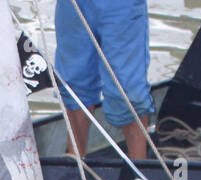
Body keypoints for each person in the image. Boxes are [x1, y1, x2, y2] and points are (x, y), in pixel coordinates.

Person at [55, 0, 154, 160]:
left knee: (127, 92)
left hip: (120, 7)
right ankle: (76, 163)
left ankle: (139, 169)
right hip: (74, 5)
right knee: (73, 85)